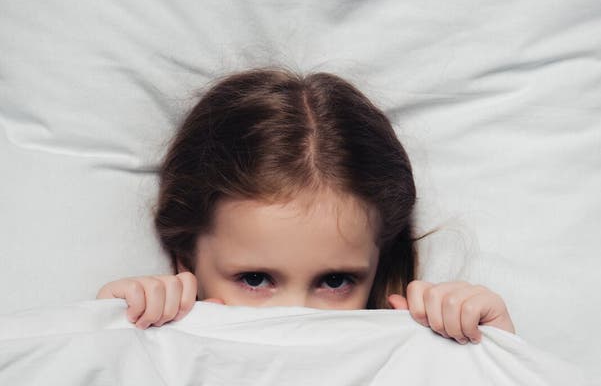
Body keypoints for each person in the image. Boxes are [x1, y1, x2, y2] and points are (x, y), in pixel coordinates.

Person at [97, 66, 515, 346]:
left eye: (335, 282)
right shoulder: (150, 339)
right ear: (187, 256)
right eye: (256, 279)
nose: (295, 317)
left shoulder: (418, 358)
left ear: (378, 264)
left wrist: (493, 352)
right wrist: (112, 332)